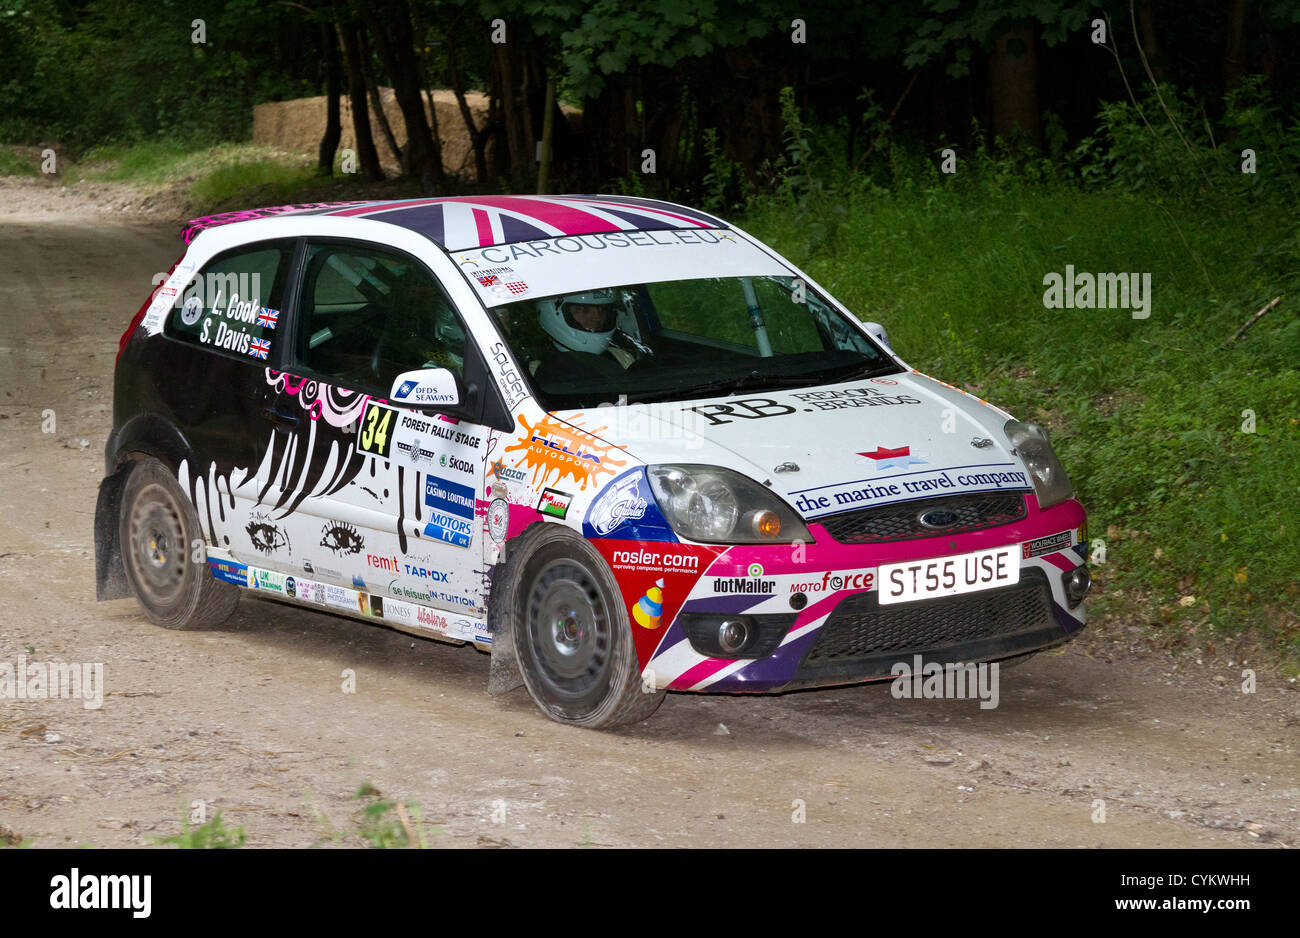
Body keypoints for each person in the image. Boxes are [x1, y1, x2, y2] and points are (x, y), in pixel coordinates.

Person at [533, 289, 635, 388]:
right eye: (583, 310)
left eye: (602, 310)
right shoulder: (533, 372)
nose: (598, 318)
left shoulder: (621, 358)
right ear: (552, 315)